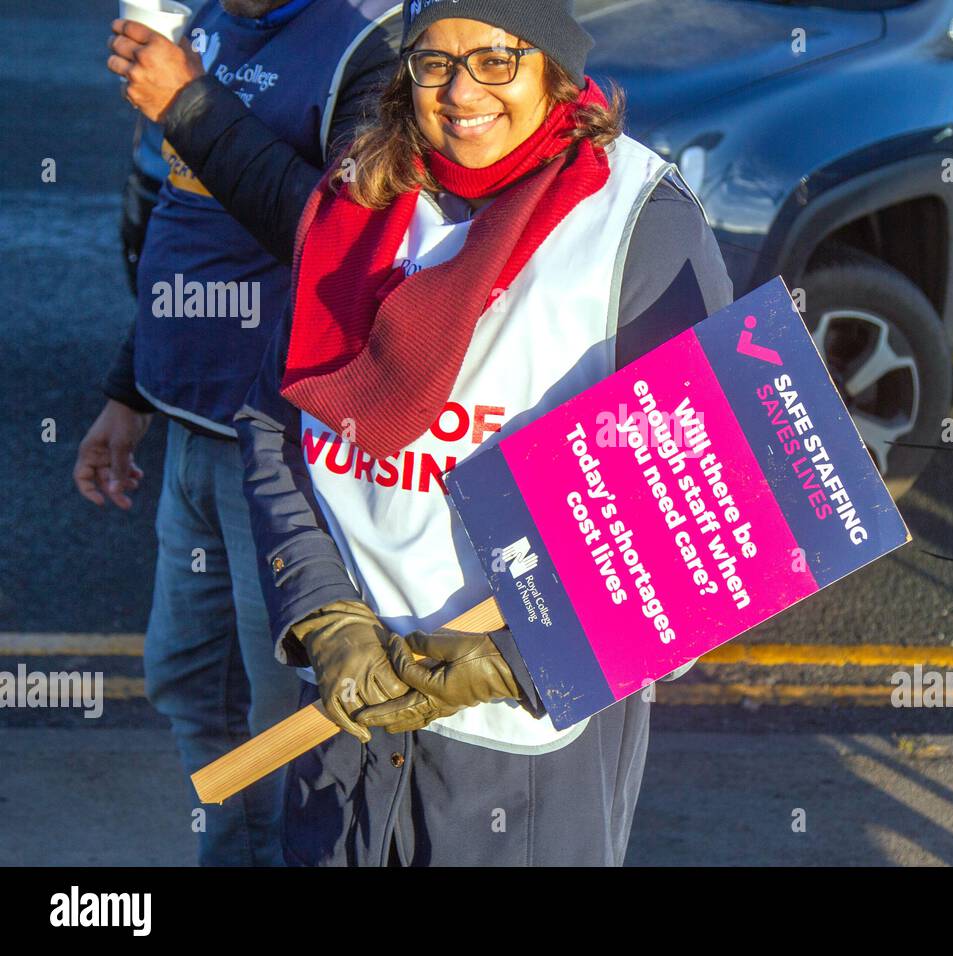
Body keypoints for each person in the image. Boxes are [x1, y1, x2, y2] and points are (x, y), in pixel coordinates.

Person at [235, 0, 734, 865]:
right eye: (434, 61)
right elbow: (275, 419)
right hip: (349, 721)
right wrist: (323, 615)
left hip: (525, 757)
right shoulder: (362, 191)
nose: (462, 92)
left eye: (496, 60)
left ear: (553, 68)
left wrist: (514, 659)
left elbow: (707, 515)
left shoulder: (639, 221)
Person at [73, 0, 403, 866]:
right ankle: (233, 853)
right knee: (187, 679)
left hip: (280, 449)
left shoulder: (368, 43)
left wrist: (189, 103)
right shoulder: (207, 20)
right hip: (187, 422)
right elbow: (184, 229)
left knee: (287, 714)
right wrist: (129, 389)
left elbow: (344, 243)